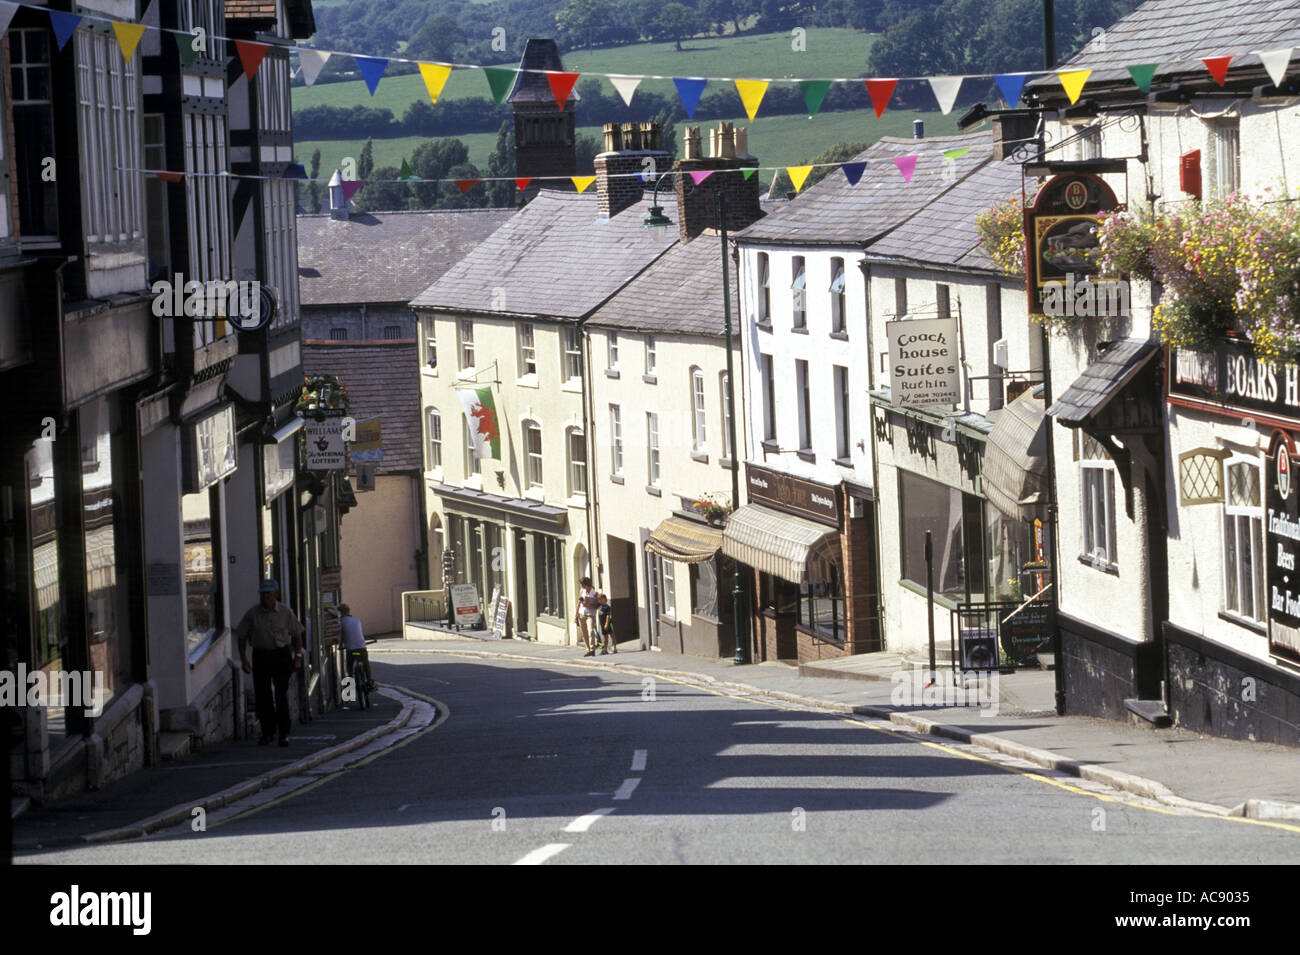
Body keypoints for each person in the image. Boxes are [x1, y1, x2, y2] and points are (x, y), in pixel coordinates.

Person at [235, 578, 305, 747]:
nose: (265, 597)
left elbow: (297, 634)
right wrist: (244, 659)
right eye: (263, 594)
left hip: (281, 656)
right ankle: (267, 733)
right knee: (263, 696)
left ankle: (284, 734)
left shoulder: (286, 612)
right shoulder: (252, 614)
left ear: (276, 594)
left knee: (281, 695)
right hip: (261, 656)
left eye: (269, 593)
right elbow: (241, 635)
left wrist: (298, 657)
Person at [338, 604, 376, 692]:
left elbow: (341, 636)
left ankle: (350, 688)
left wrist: (340, 646)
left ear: (340, 613)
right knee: (366, 663)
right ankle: (370, 682)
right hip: (361, 647)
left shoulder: (341, 622)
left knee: (349, 666)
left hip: (351, 649)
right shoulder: (357, 620)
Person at [575, 576, 599, 656]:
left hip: (590, 615)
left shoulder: (595, 594)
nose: (581, 586)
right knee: (584, 632)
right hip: (582, 614)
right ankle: (588, 649)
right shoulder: (582, 591)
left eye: (582, 584)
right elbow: (578, 603)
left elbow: (596, 607)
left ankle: (592, 649)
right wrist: (576, 615)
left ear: (586, 584)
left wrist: (587, 605)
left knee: (591, 631)